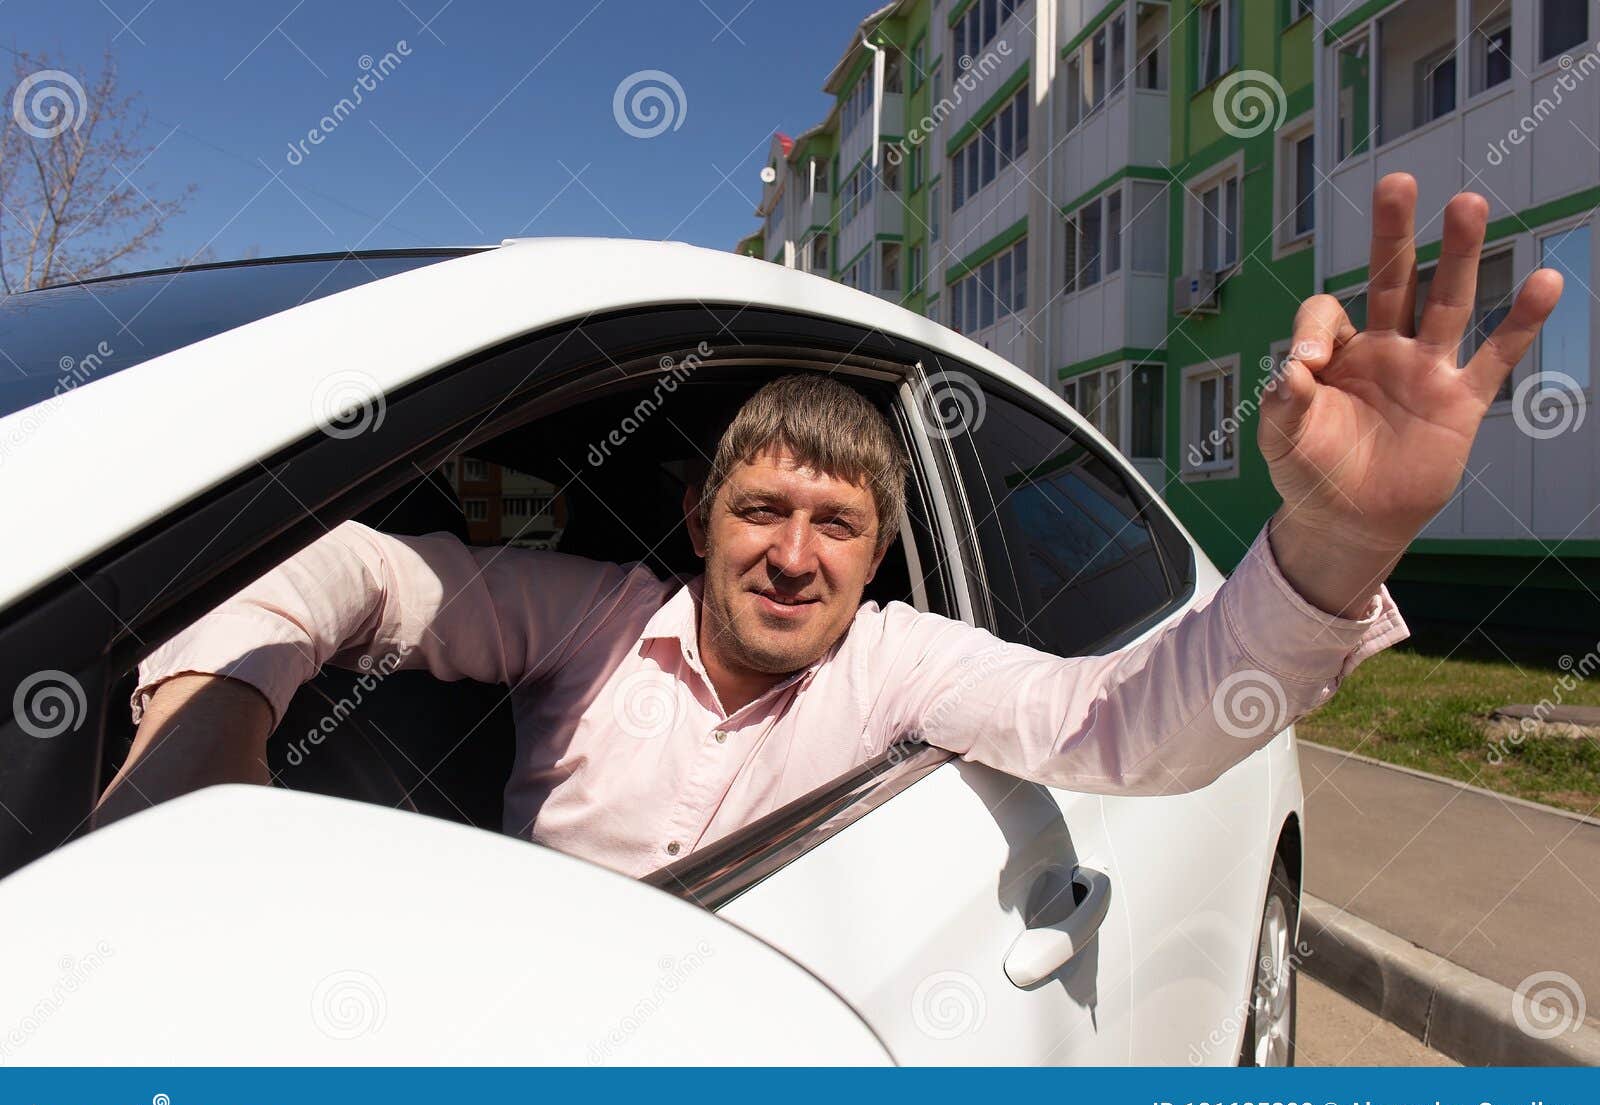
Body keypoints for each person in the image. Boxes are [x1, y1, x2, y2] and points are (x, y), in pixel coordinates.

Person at [97, 175, 1563, 878]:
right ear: (699, 517)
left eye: (839, 523)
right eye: (762, 509)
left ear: (875, 554)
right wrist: (211, 717)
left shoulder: (907, 664)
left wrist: (1342, 539)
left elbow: (1133, 723)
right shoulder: (595, 616)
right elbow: (362, 570)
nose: (796, 552)